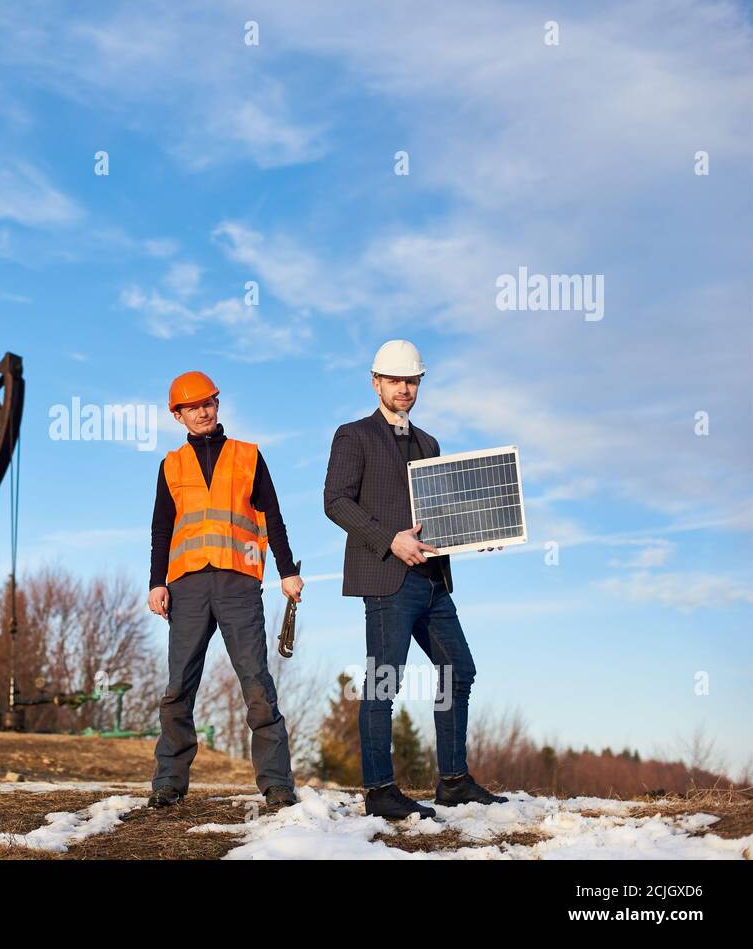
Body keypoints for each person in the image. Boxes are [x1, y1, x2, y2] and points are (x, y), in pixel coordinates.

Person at [322, 340, 509, 820]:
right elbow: (336, 501)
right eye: (395, 380)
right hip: (388, 578)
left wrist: (478, 531)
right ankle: (380, 791)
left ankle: (452, 781)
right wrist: (390, 540)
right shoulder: (353, 435)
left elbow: (441, 512)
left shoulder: (429, 444)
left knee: (457, 671)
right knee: (384, 681)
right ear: (376, 382)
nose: (404, 388)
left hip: (433, 582)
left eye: (412, 381)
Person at [147, 370, 303, 809]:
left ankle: (276, 783)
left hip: (238, 581)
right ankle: (169, 783)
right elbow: (162, 529)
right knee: (179, 686)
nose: (202, 411)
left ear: (217, 405)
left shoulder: (249, 456)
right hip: (187, 586)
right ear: (177, 415)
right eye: (192, 407)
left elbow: (273, 516)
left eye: (208, 403)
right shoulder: (171, 465)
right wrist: (156, 582)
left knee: (256, 682)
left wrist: (287, 571)